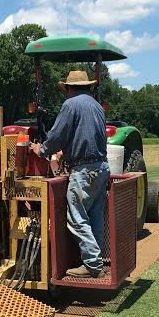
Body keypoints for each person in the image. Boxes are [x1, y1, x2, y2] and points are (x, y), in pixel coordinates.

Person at [31, 70, 109, 278]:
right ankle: (97, 259)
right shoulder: (96, 106)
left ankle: (92, 265)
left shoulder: (70, 105)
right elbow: (86, 135)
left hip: (84, 170)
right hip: (101, 167)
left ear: (69, 88)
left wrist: (42, 150)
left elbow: (58, 134)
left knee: (76, 218)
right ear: (87, 86)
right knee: (94, 217)